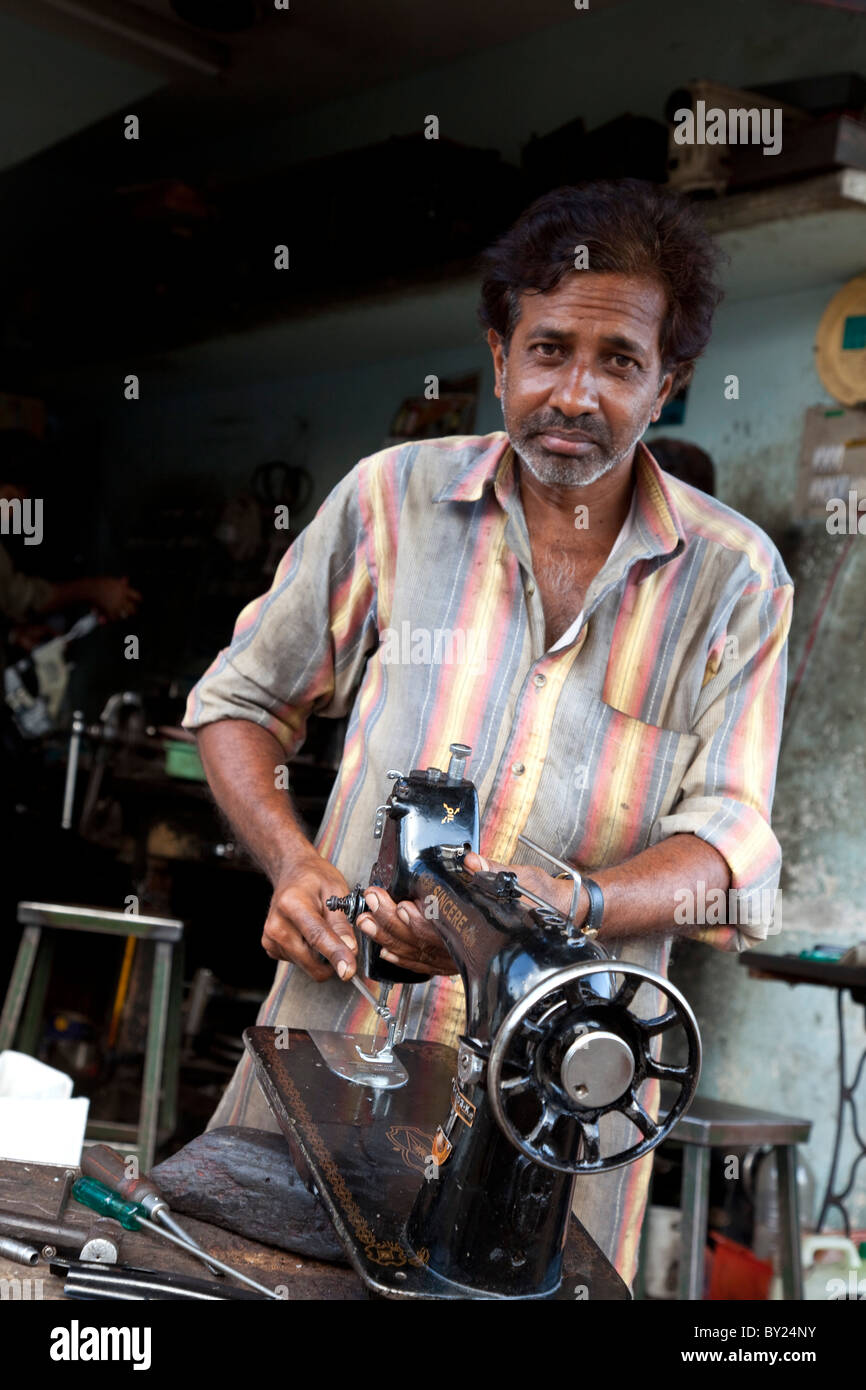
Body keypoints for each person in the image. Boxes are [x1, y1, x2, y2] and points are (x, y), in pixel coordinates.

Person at [183, 179, 794, 1290]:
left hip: (557, 1102)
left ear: (667, 384)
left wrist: (559, 905)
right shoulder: (391, 501)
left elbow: (732, 844)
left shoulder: (734, 578)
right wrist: (293, 864)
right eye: (548, 349)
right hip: (340, 1041)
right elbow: (240, 701)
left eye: (618, 361)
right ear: (499, 354)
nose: (574, 393)